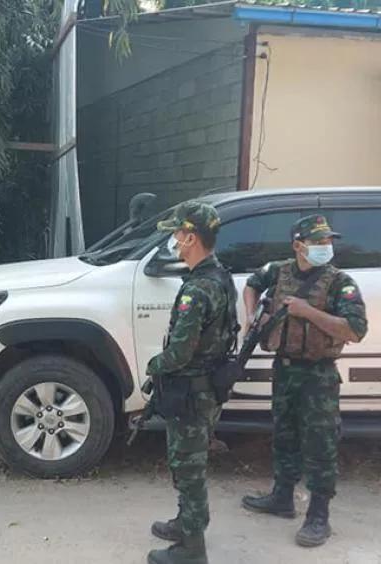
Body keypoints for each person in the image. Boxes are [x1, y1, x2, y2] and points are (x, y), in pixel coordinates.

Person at [241, 215, 368, 548]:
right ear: (298, 245)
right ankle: (282, 498)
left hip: (318, 375)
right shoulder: (277, 271)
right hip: (284, 369)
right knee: (284, 435)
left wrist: (308, 311)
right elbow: (251, 284)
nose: (326, 246)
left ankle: (318, 515)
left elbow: (356, 330)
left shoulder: (340, 282)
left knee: (320, 444)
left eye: (328, 241)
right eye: (318, 241)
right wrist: (251, 316)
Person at [146, 201, 237, 564]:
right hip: (206, 388)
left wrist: (153, 366)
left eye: (176, 234)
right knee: (189, 463)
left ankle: (192, 549)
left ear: (191, 237)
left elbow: (180, 353)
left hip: (191, 393)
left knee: (188, 468)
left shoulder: (197, 289)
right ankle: (185, 523)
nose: (173, 241)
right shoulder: (221, 277)